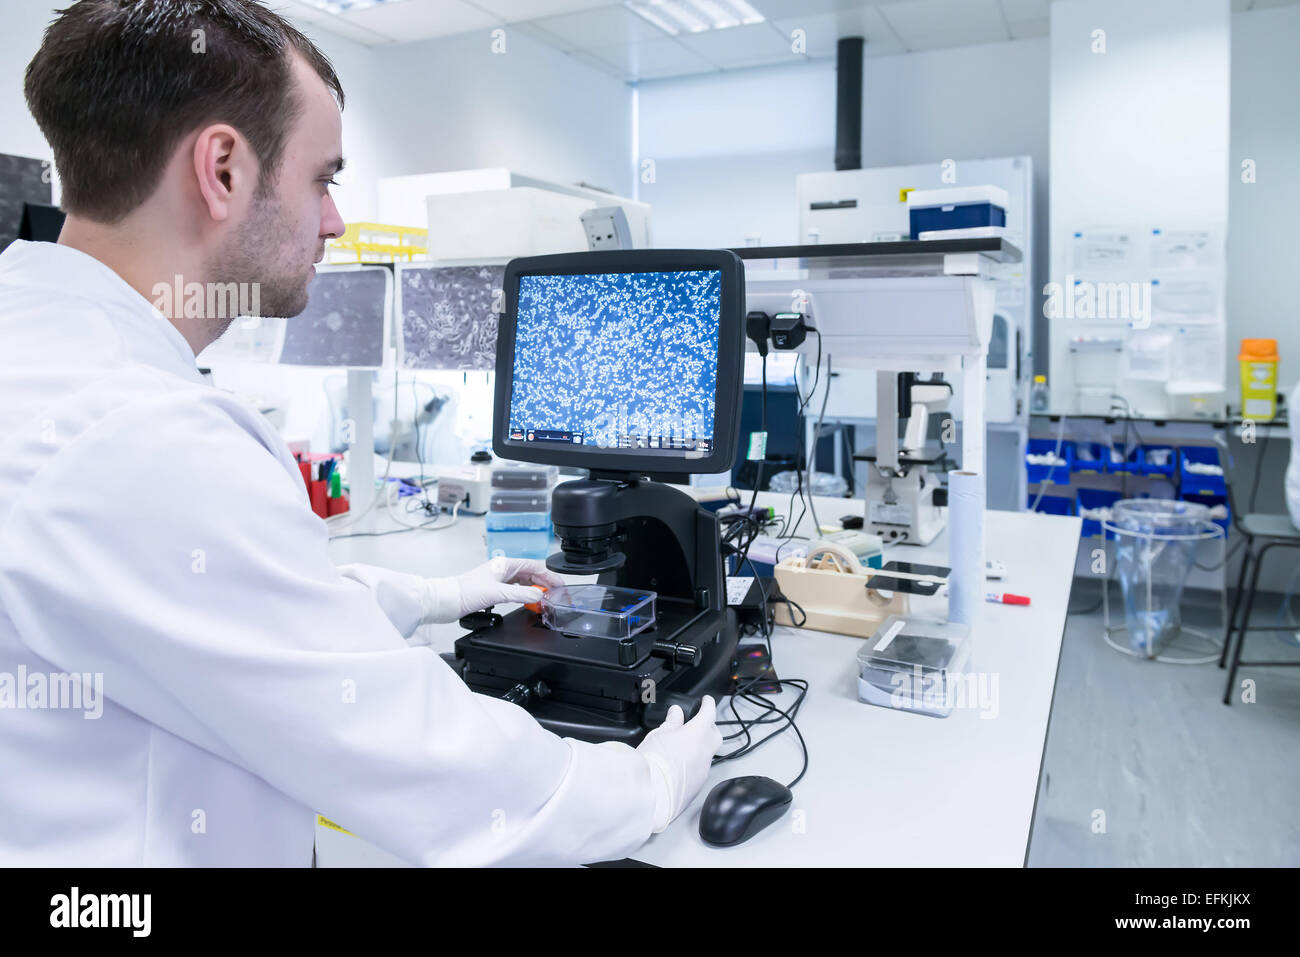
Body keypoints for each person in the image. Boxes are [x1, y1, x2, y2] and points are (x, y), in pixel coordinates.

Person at [0, 0, 720, 866]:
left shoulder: (44, 356)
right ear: (222, 168)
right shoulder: (140, 437)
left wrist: (431, 596)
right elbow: (429, 765)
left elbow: (221, 618)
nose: (335, 221)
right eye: (323, 178)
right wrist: (652, 783)